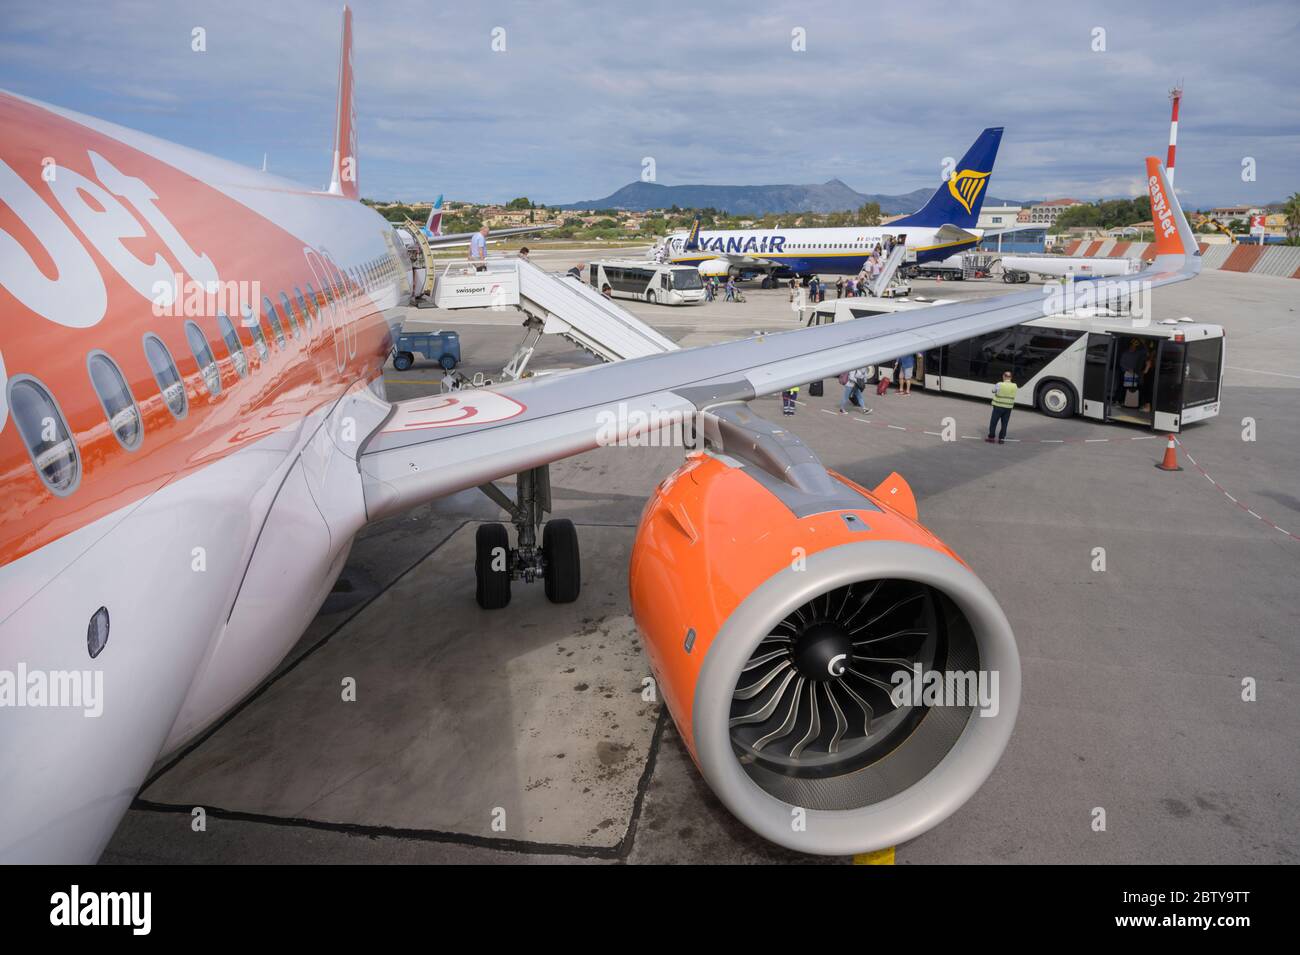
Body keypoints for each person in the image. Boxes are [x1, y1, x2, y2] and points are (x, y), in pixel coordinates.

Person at [986, 371, 1017, 443]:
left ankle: (991, 437)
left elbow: (993, 391)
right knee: (1004, 424)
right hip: (1008, 408)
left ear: (1004, 376)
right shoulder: (1015, 385)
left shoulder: (999, 384)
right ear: (1011, 378)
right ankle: (1001, 439)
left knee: (993, 422)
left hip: (998, 406)